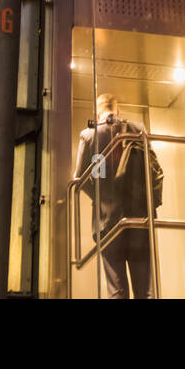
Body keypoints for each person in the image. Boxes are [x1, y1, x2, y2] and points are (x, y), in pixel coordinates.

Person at [73, 93, 163, 300]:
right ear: (118, 110)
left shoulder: (89, 134)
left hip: (108, 221)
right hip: (139, 219)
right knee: (146, 290)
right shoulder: (138, 129)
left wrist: (98, 195)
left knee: (117, 290)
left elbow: (79, 179)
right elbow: (154, 168)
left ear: (98, 113)